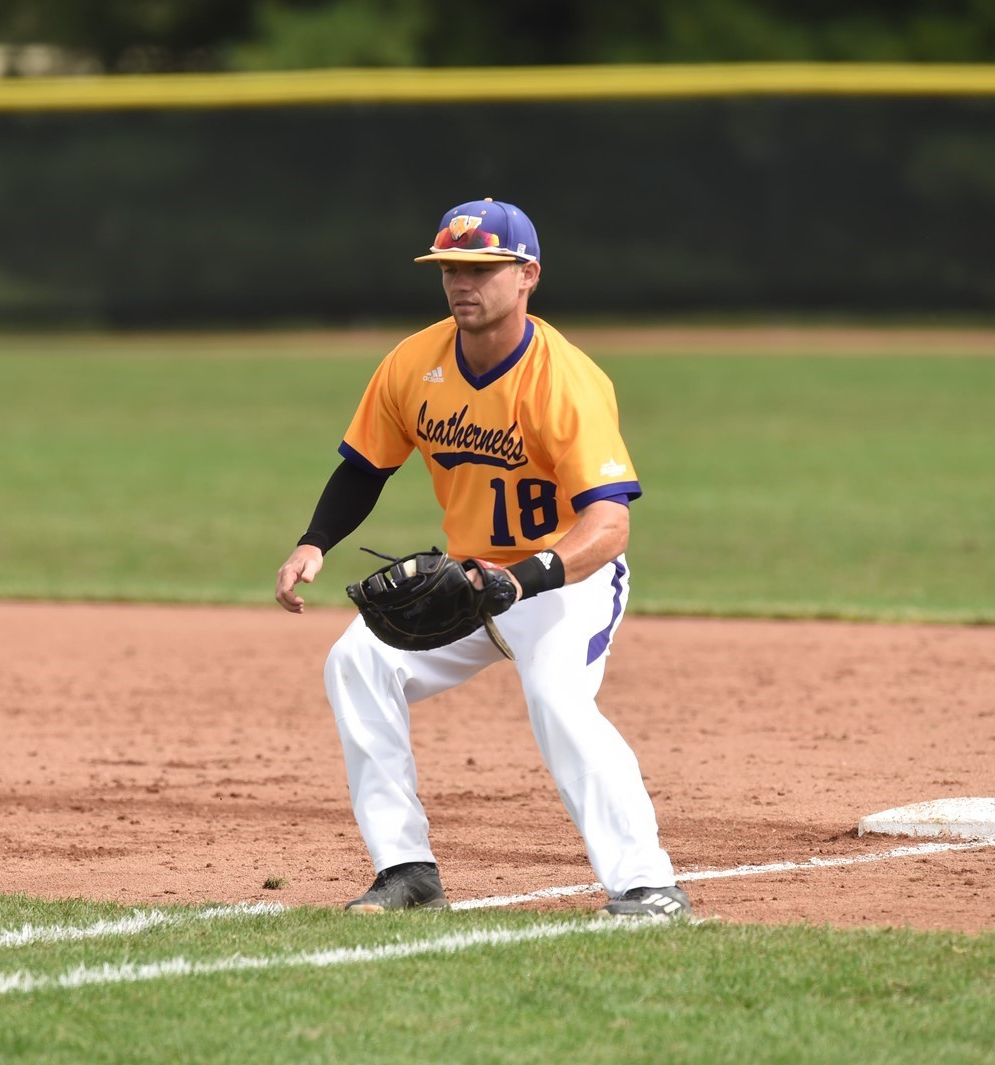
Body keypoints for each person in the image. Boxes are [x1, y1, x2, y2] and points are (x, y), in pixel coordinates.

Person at [274, 198, 689, 920]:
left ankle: (647, 884)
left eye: (481, 268)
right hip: (467, 579)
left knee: (558, 699)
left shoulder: (566, 380)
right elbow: (366, 467)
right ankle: (407, 871)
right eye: (450, 269)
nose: (461, 282)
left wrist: (524, 579)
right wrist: (314, 541)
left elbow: (609, 524)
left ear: (528, 275)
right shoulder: (414, 362)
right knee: (358, 661)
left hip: (562, 580)